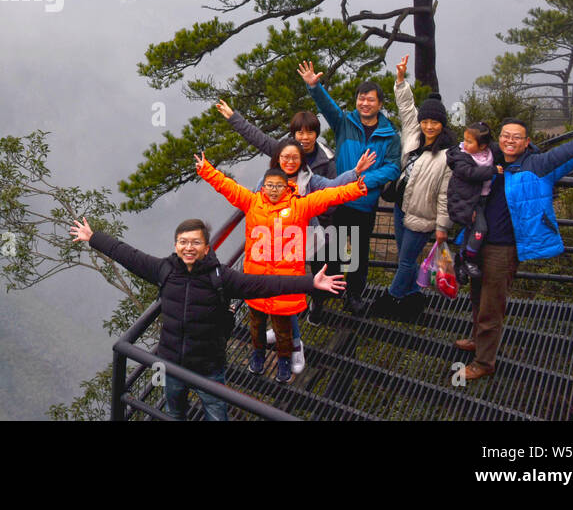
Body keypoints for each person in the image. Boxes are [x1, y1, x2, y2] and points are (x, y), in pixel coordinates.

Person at [70, 216, 347, 418]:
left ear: (206, 247)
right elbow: (127, 254)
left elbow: (266, 284)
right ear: (176, 245)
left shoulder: (222, 278)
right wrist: (93, 237)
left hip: (209, 366)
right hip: (170, 364)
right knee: (174, 412)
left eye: (195, 243)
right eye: (182, 242)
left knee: (216, 414)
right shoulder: (164, 270)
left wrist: (309, 283)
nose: (188, 248)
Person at [452, 113, 573, 380]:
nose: (510, 141)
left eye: (516, 137)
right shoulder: (490, 161)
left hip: (504, 247)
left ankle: (484, 362)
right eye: (506, 135)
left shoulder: (538, 166)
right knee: (476, 295)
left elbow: (569, 153)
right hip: (477, 241)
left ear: (526, 141)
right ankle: (477, 339)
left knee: (491, 305)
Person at [194, 153, 371, 383]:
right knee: (256, 325)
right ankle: (257, 354)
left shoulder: (300, 206)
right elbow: (228, 187)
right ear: (263, 187)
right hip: (255, 281)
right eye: (269, 186)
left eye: (278, 186)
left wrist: (355, 189)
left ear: (287, 187)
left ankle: (284, 361)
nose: (273, 190)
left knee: (283, 328)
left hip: (285, 282)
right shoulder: (252, 202)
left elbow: (329, 196)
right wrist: (206, 169)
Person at [298, 60, 403, 315]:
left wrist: (364, 181)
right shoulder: (345, 123)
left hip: (364, 202)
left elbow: (393, 168)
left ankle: (353, 295)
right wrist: (314, 86)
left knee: (357, 253)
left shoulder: (390, 135)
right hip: (338, 201)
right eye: (361, 99)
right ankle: (327, 292)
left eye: (370, 100)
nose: (365, 103)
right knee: (331, 250)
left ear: (380, 103)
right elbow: (327, 107)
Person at [371, 54, 455, 321]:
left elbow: (445, 194)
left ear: (443, 124)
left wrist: (442, 226)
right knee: (404, 259)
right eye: (426, 121)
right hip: (401, 207)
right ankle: (412, 299)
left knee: (406, 261)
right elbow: (407, 108)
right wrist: (400, 80)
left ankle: (390, 300)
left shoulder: (448, 155)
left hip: (424, 217)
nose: (429, 126)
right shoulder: (414, 133)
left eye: (434, 122)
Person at [445, 122, 496, 284]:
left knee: (470, 232)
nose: (464, 144)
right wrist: (493, 171)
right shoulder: (461, 157)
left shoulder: (490, 152)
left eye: (469, 142)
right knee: (481, 229)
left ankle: (461, 260)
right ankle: (469, 259)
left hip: (484, 198)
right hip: (470, 202)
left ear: (483, 146)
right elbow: (470, 173)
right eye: (465, 140)